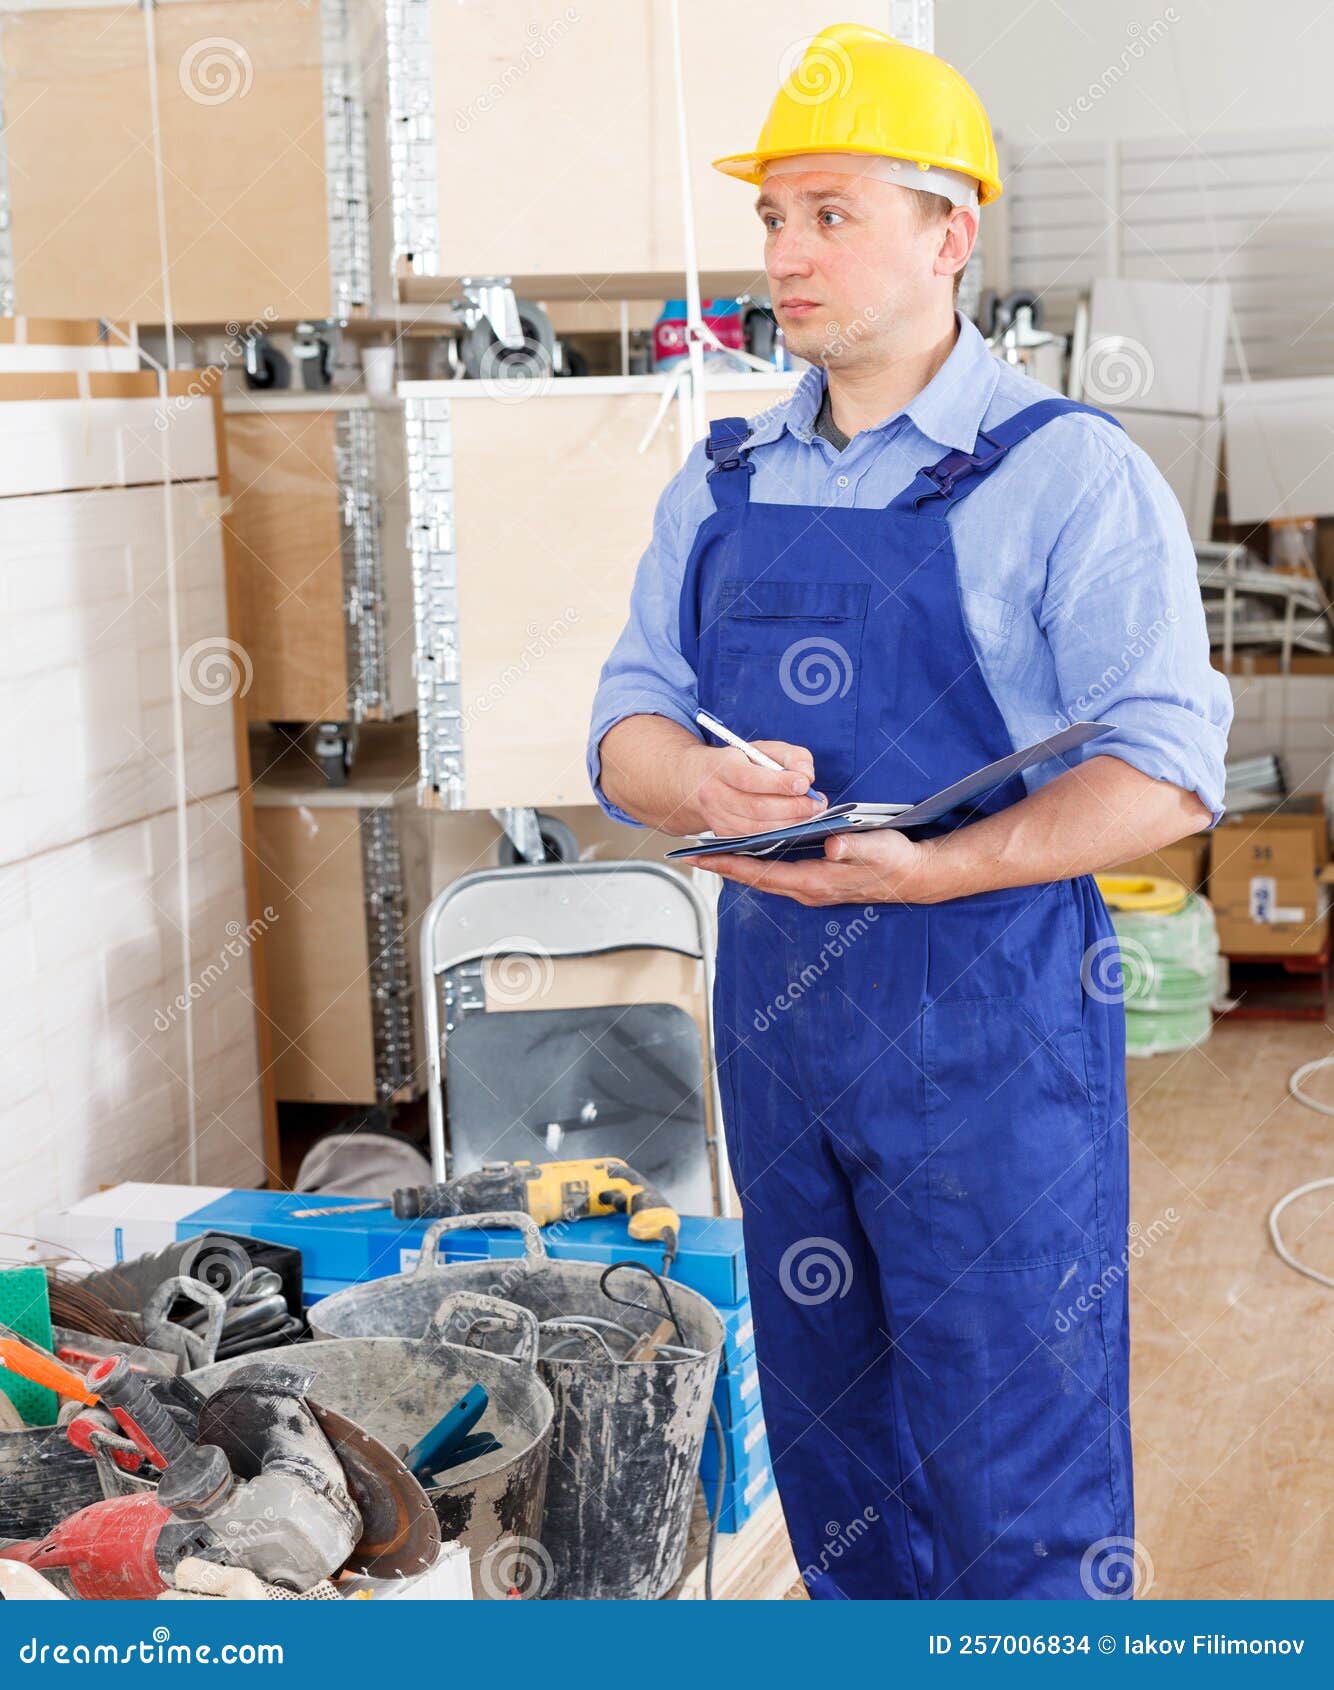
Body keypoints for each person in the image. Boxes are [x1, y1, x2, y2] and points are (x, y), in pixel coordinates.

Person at [587, 23, 1230, 1599]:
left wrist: (940, 867)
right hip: (780, 1016)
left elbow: (1163, 766)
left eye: (829, 214)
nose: (785, 257)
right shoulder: (725, 481)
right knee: (836, 1453)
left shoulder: (1064, 476)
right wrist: (698, 780)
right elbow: (624, 729)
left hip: (986, 1024)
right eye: (771, 220)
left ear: (949, 233)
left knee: (1011, 1453)